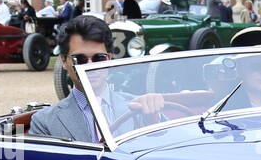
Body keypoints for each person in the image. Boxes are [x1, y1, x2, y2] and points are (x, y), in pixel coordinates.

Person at [28, 15, 165, 141]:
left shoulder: (139, 106)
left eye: (99, 58)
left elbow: (163, 147)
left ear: (109, 59)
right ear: (64, 61)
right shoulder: (45, 122)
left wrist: (151, 116)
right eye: (79, 59)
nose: (90, 66)